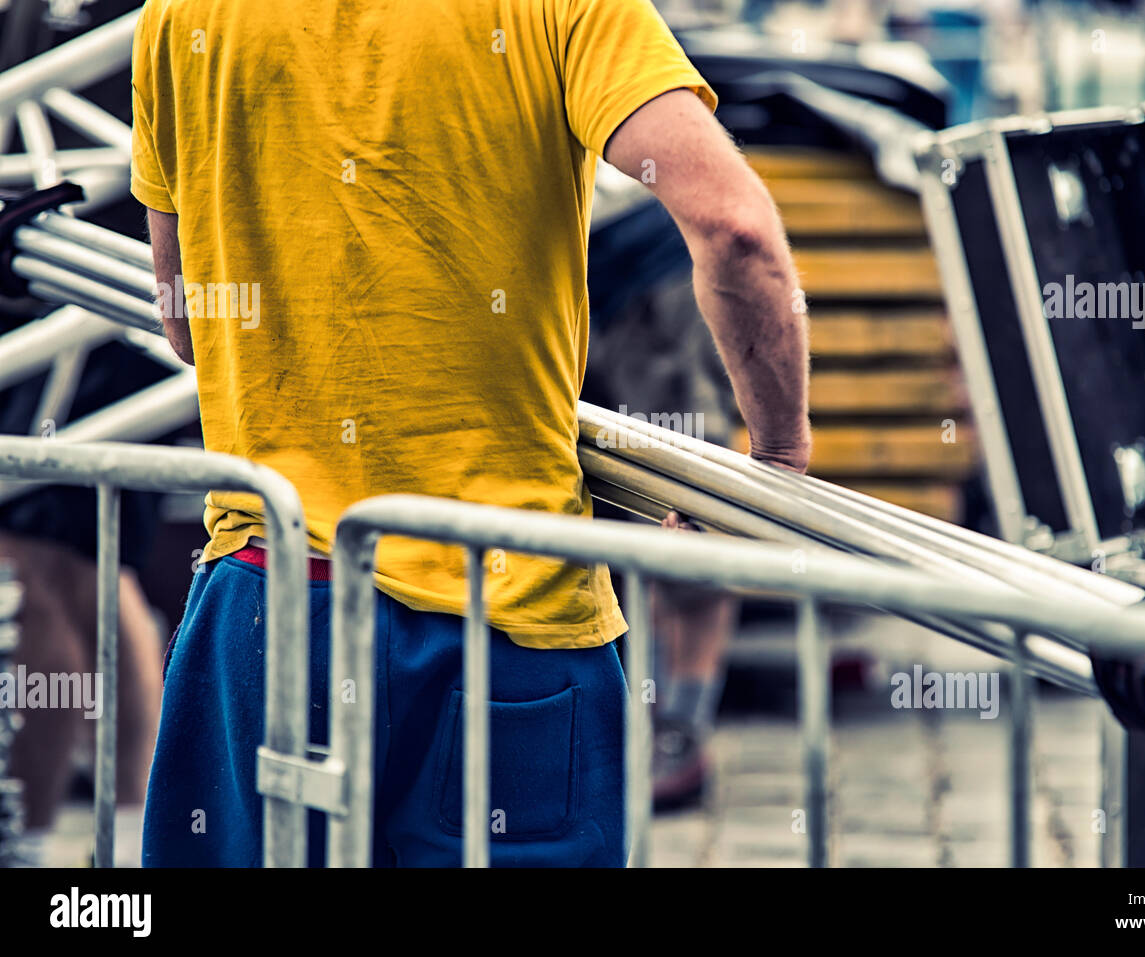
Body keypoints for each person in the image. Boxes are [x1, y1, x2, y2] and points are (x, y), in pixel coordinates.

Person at [131, 0, 809, 867]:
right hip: (498, 615)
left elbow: (185, 317)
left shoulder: (179, 15)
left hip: (268, 609)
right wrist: (778, 455)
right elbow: (734, 225)